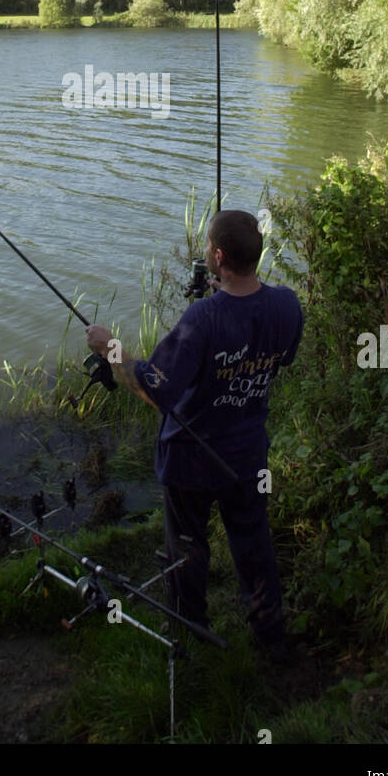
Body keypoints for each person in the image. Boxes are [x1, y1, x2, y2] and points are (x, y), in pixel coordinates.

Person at [86, 208, 303, 654]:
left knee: (187, 547)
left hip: (192, 459)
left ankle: (193, 634)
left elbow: (155, 389)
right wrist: (227, 305)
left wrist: (110, 348)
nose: (205, 251)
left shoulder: (202, 319)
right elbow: (280, 356)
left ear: (218, 255)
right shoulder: (287, 305)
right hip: (247, 456)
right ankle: (270, 635)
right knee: (254, 543)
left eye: (208, 246)